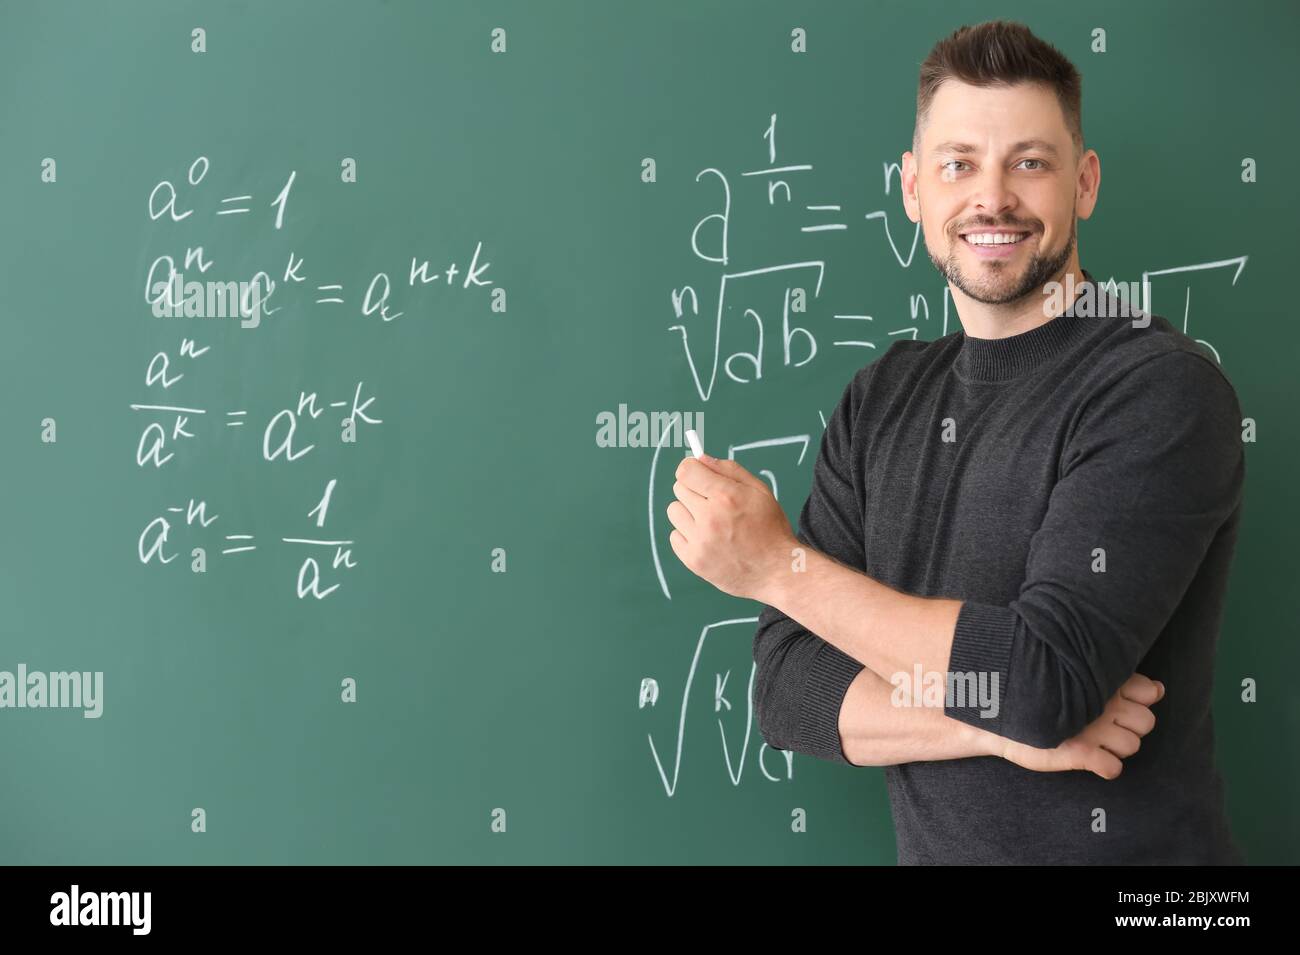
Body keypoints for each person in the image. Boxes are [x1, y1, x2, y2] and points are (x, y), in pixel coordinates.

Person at [666, 19, 1244, 865]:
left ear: (1084, 183)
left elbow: (1043, 682)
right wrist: (995, 728)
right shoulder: (880, 400)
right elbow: (789, 689)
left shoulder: (1158, 389)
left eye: (1030, 163)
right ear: (913, 188)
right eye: (958, 164)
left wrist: (776, 568)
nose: (992, 198)